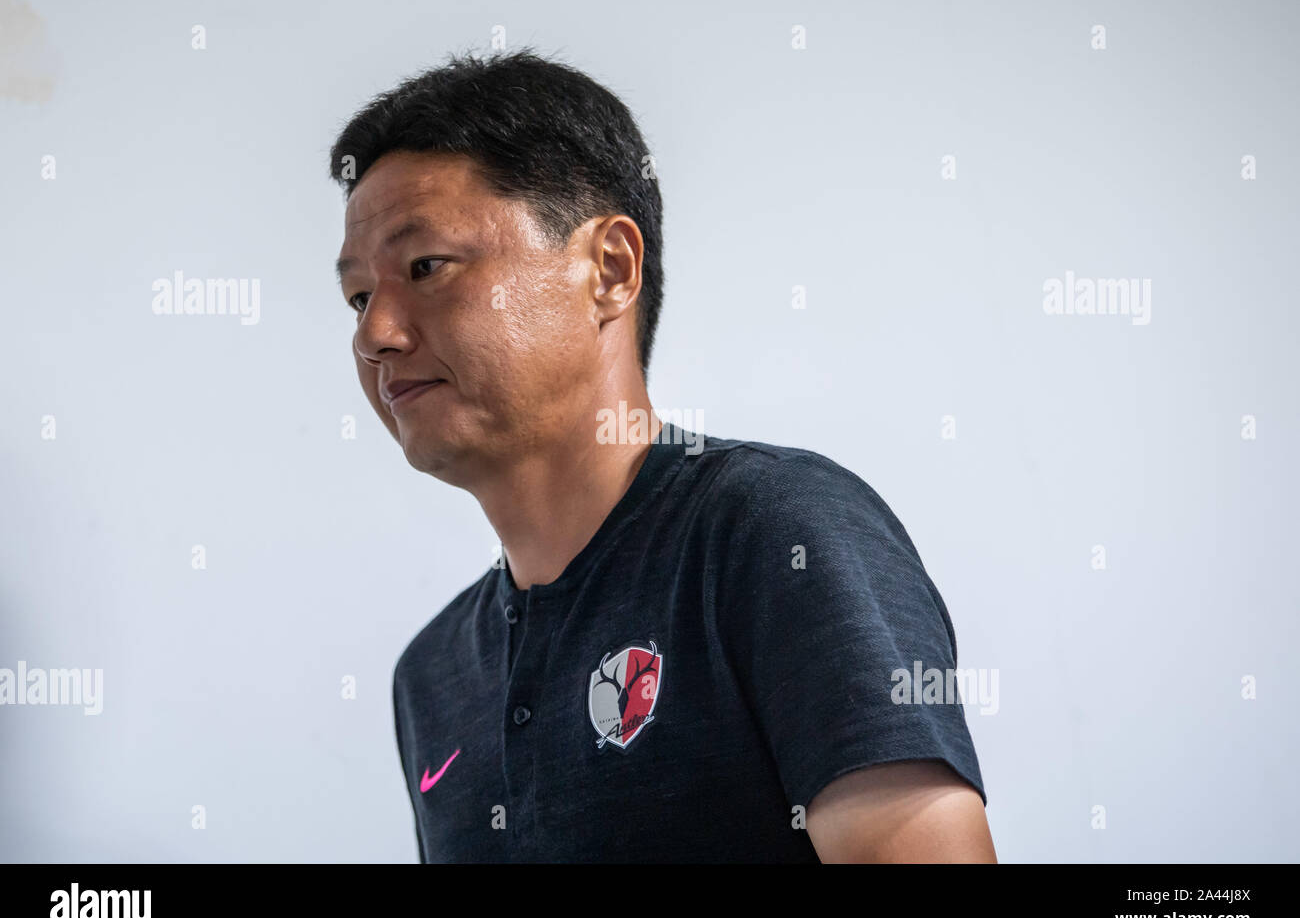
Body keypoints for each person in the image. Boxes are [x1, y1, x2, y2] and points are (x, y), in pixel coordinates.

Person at [329, 48, 995, 862]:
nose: (374, 334)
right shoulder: (431, 675)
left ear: (609, 269)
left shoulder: (773, 535)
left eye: (426, 267)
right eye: (359, 295)